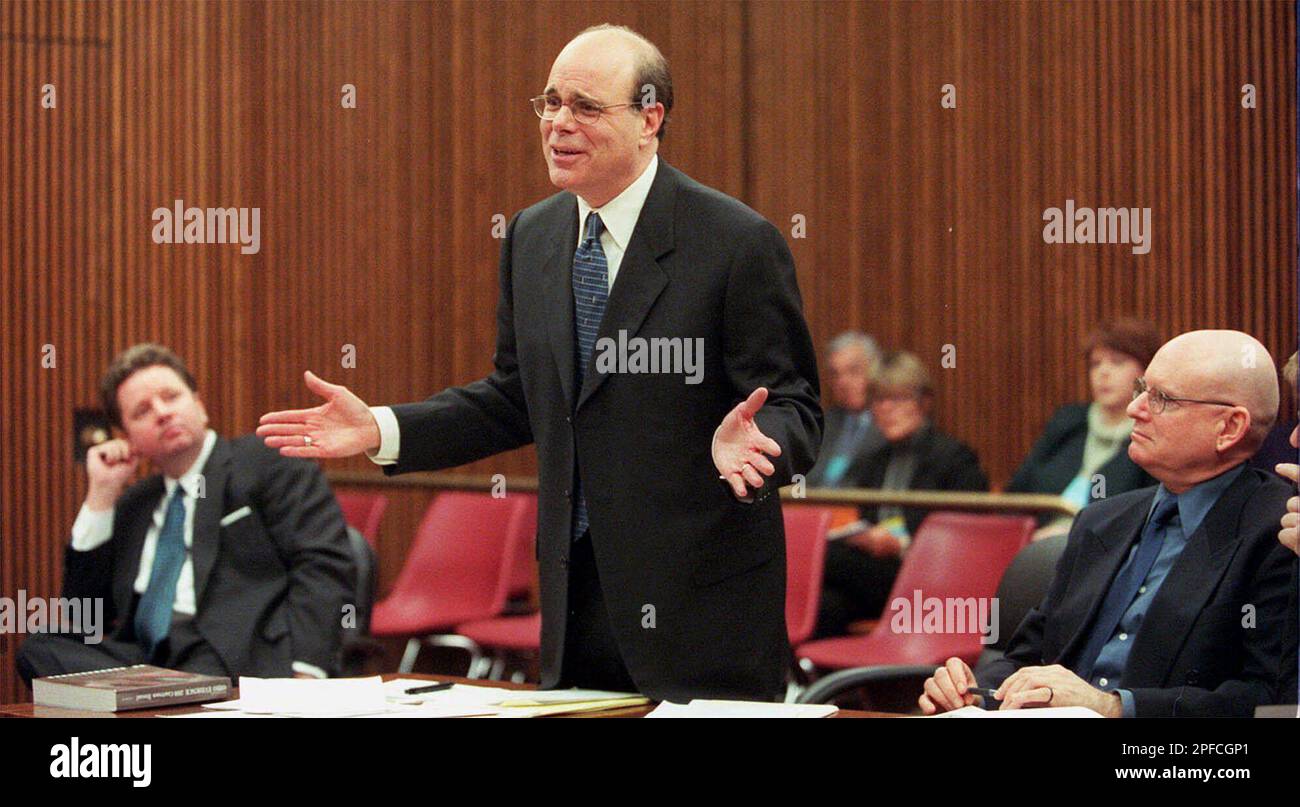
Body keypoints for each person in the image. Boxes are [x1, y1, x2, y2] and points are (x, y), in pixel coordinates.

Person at [257, 25, 821, 702]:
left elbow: (796, 406)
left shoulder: (734, 242)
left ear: (650, 118)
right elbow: (517, 398)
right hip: (572, 602)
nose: (558, 123)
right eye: (550, 102)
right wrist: (383, 428)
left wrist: (761, 446)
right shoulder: (533, 235)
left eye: (585, 106)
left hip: (698, 614)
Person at [919, 330, 1297, 717]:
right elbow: (1026, 657)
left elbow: (1268, 701)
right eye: (1140, 389)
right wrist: (972, 691)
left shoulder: (1282, 530)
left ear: (1229, 427)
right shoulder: (1101, 520)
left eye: (1162, 398)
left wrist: (1114, 707)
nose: (1135, 408)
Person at [16, 344, 355, 684]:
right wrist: (101, 494)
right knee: (40, 649)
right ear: (128, 437)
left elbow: (322, 563)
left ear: (199, 405)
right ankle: (159, 698)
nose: (162, 413)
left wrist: (307, 671)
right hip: (147, 660)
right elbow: (89, 615)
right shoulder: (136, 503)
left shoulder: (266, 461)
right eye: (142, 411)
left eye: (171, 396)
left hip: (229, 655)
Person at [815, 351, 988, 637]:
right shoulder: (872, 461)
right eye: (878, 400)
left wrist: (901, 544)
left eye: (897, 399)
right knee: (822, 605)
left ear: (924, 402)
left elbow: (968, 540)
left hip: (927, 577)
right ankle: (809, 682)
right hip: (876, 576)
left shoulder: (955, 459)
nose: (886, 409)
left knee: (823, 556)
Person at [1007, 318, 1159, 536]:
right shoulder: (1067, 423)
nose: (1103, 373)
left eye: (1117, 362)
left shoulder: (1153, 433)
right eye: (1096, 364)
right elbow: (1016, 496)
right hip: (1036, 544)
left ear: (1145, 372)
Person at [804, 332, 885, 488]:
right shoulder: (823, 423)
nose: (843, 382)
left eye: (854, 371)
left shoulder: (889, 423)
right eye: (835, 374)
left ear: (876, 370)